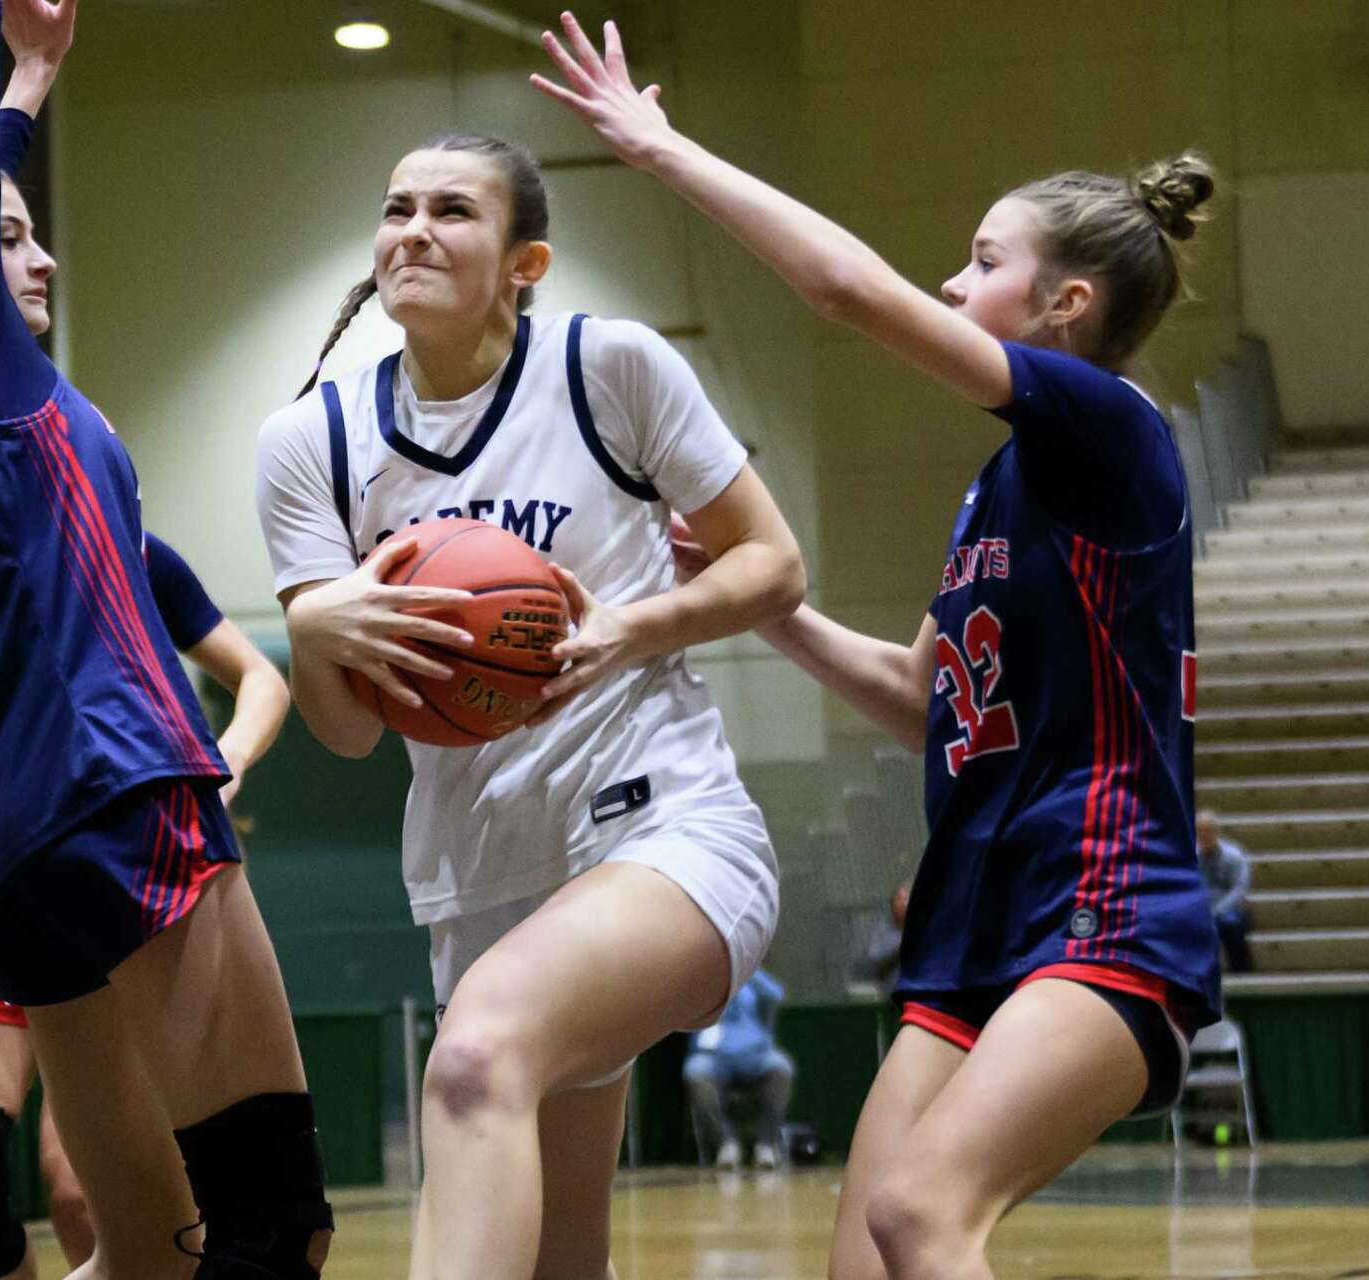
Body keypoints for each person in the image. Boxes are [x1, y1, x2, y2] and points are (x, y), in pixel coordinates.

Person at [531, 16, 1222, 1278]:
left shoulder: (1110, 428)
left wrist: (665, 149)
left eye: (979, 260)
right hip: (974, 917)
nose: (954, 284)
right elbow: (921, 697)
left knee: (921, 1214)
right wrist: (766, 607)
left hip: (1100, 901)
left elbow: (848, 292)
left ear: (1066, 301)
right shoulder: (1005, 485)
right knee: (865, 1258)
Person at [0, 3, 329, 1274]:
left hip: (5, 841)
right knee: (269, 1224)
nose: (39, 259)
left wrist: (32, 73)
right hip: (114, 782)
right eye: (10, 238)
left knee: (140, 1249)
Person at [255, 117, 803, 1275]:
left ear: (525, 264)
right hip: (481, 874)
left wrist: (629, 623)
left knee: (470, 1056)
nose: (413, 230)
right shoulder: (313, 439)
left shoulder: (609, 368)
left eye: (452, 210)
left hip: (665, 825)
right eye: (398, 208)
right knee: (562, 1257)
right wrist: (315, 629)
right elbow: (349, 732)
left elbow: (772, 564)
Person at [0, 527, 287, 1280]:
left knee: (87, 1200)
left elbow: (263, 677)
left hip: (113, 895)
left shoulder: (129, 549)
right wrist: (5, 772)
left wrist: (231, 756)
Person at [682, 968, 793, 1171]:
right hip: (712, 1058)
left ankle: (766, 1144)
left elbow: (776, 994)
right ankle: (726, 1143)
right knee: (695, 1072)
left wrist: (744, 969)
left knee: (780, 1067)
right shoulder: (701, 981)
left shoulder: (751, 981)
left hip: (755, 1056)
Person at [1195, 810, 1253, 973]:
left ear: (1216, 832)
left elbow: (1240, 889)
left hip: (1229, 909)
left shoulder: (1234, 856)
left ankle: (1242, 973)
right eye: (1200, 832)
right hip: (1200, 909)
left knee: (1231, 925)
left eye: (1208, 831)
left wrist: (1218, 910)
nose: (1205, 835)